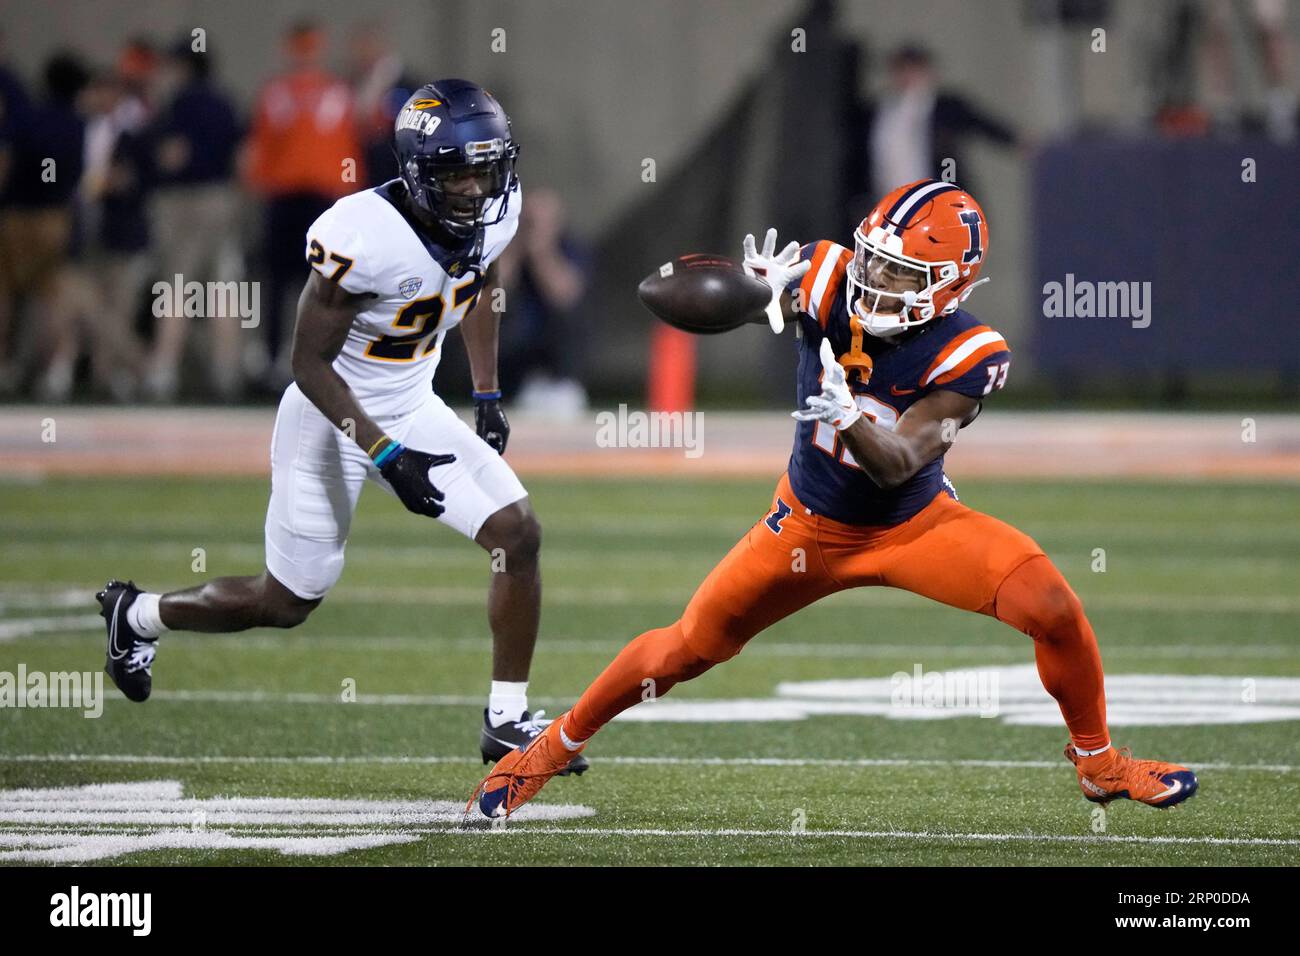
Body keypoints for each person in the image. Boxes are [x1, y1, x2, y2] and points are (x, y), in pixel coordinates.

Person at [474, 179, 1195, 817]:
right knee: (685, 650)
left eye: (901, 272)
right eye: (874, 260)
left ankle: (1099, 765)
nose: (875, 280)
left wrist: (848, 418)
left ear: (950, 286)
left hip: (913, 526)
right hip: (806, 528)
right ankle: (548, 749)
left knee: (1053, 607)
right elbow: (661, 292)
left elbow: (899, 463)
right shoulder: (827, 275)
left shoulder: (971, 353)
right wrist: (754, 292)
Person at [96, 80, 587, 776]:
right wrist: (385, 455)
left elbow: (481, 286)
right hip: (330, 418)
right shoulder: (363, 235)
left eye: (486, 171)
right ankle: (139, 614)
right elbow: (308, 363)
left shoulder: (496, 209)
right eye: (458, 176)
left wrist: (487, 393)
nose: (476, 190)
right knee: (287, 600)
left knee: (518, 534)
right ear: (417, 173)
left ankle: (506, 721)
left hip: (412, 403)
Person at [145, 38, 244, 401]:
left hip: (185, 202)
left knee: (177, 288)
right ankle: (227, 371)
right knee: (224, 288)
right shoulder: (225, 102)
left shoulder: (179, 104)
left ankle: (164, 370)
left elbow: (172, 156)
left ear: (185, 67)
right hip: (221, 199)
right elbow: (241, 157)